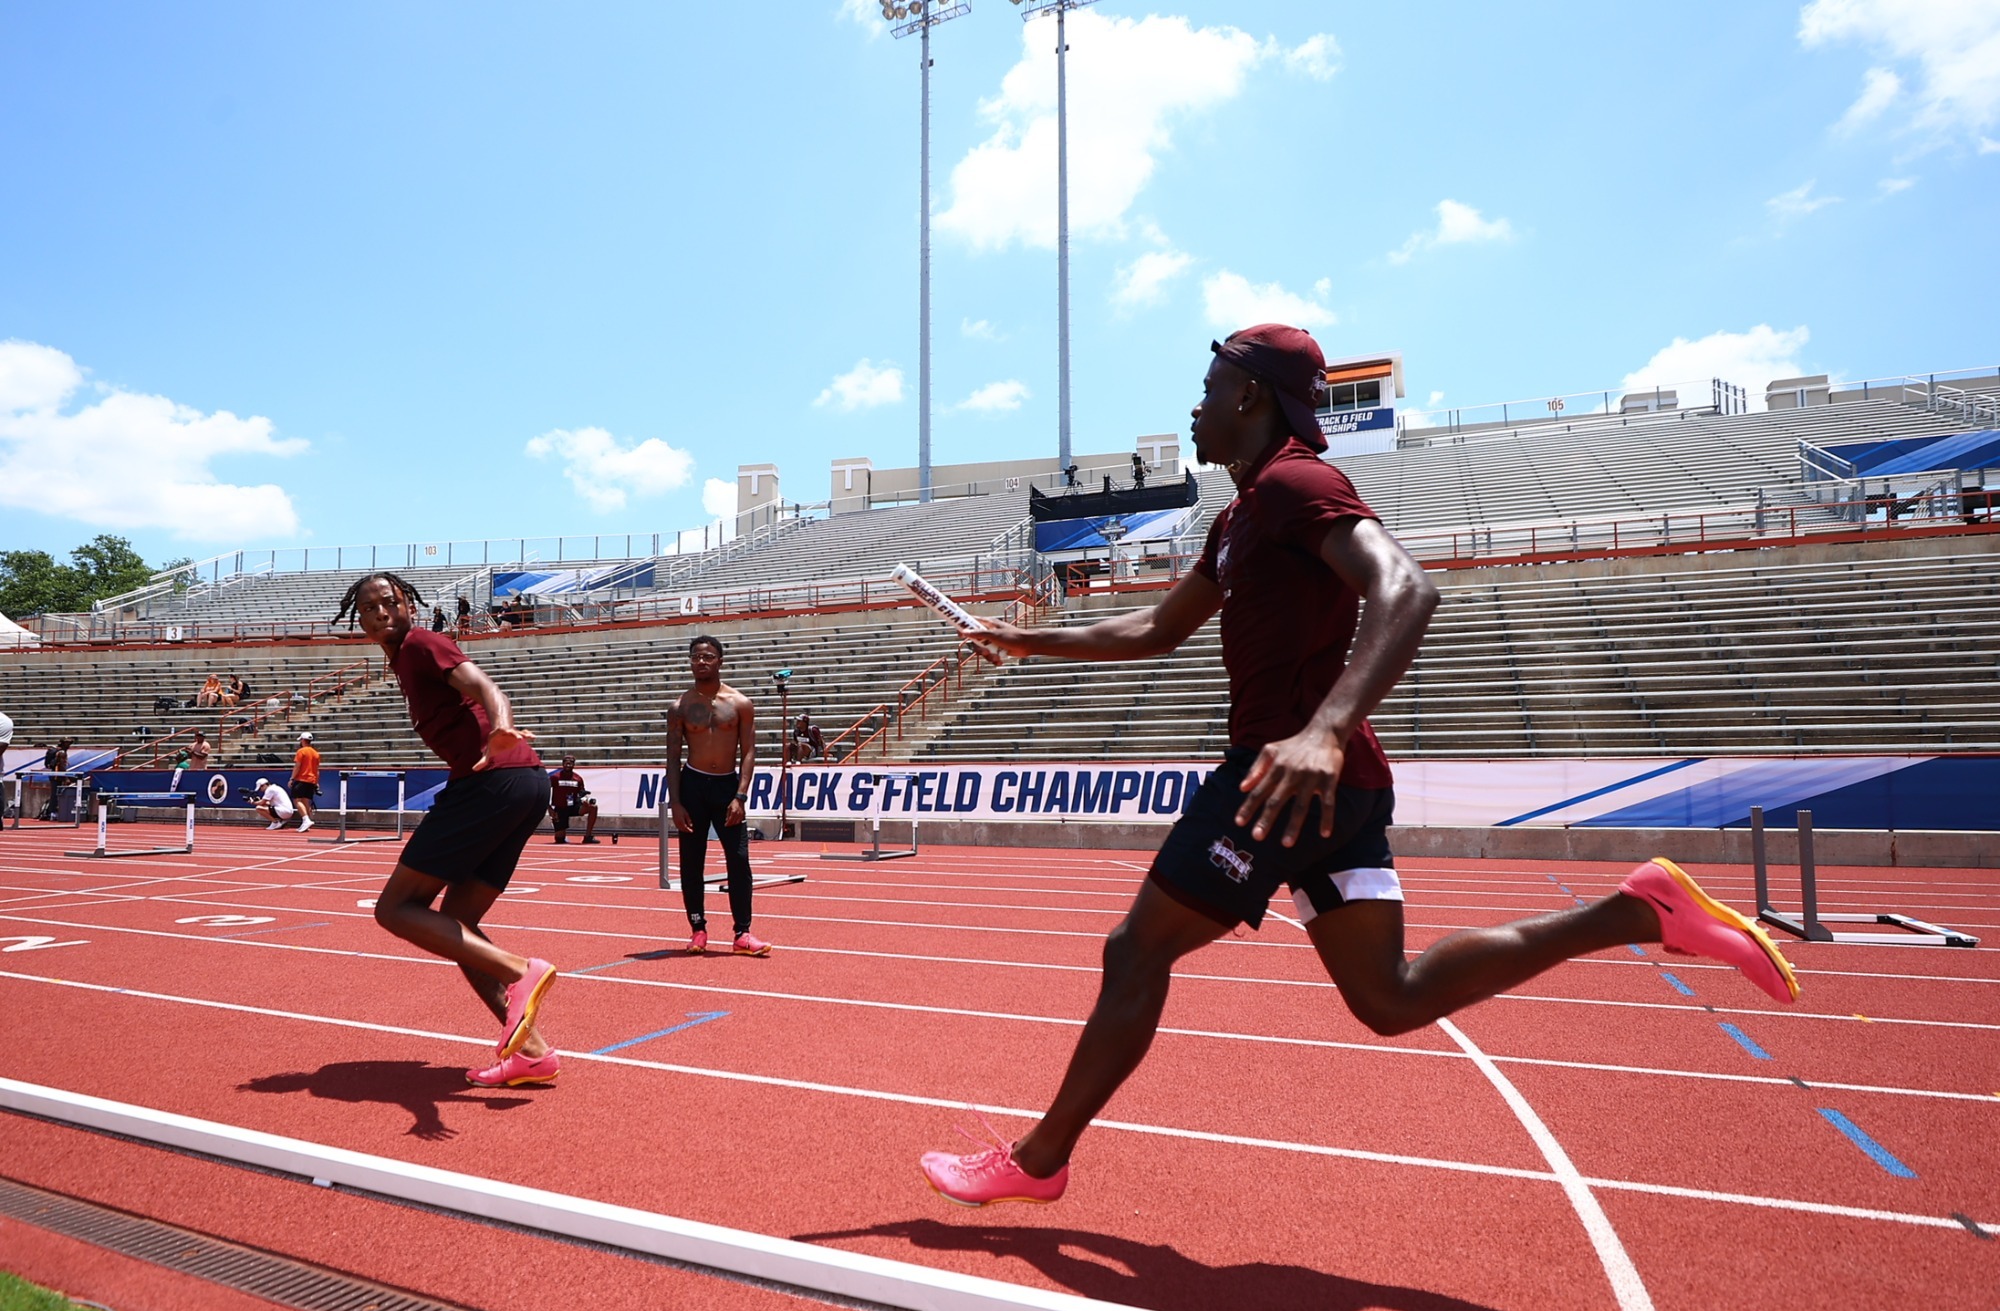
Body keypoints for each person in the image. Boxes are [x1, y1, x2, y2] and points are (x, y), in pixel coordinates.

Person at [919, 323, 1801, 1208]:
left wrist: (1326, 728)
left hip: (1284, 773)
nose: (1194, 405)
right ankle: (1638, 912)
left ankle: (1039, 1160)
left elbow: (1407, 587)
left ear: (1250, 396)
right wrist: (1027, 639)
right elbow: (1157, 627)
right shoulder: (1239, 515)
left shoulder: (1298, 483)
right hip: (1331, 787)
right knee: (1388, 997)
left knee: (1136, 948)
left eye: (1208, 386)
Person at [333, 571, 561, 1088]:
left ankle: (519, 970)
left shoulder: (420, 643)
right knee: (458, 923)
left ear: (408, 605)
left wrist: (501, 724)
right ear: (359, 619)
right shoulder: (404, 658)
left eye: (389, 602)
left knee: (394, 909)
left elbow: (482, 684)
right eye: (369, 609)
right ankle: (530, 1052)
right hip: (522, 783)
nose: (380, 614)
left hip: (492, 781)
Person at [665, 635, 769, 956]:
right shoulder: (679, 706)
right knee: (691, 862)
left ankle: (742, 933)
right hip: (693, 785)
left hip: (727, 787)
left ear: (720, 661)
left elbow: (749, 751)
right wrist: (676, 802)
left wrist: (741, 795)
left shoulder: (740, 704)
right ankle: (698, 929)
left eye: (708, 657)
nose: (701, 662)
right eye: (696, 657)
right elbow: (672, 756)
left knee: (738, 860)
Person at [548, 754, 599, 844]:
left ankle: (588, 836)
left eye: (570, 763)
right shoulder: (555, 777)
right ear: (563, 764)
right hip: (560, 808)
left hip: (574, 806)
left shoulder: (578, 779)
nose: (568, 765)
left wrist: (585, 801)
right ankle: (562, 833)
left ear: (574, 765)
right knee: (559, 839)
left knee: (593, 807)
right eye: (566, 763)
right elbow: (543, 793)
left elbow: (582, 794)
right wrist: (550, 809)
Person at [289, 732, 320, 833]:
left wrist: (292, 778)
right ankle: (308, 821)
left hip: (301, 779)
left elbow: (297, 766)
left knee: (297, 800)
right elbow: (317, 770)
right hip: (311, 780)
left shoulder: (301, 751)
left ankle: (306, 819)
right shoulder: (316, 753)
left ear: (303, 740)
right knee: (306, 801)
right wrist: (316, 781)